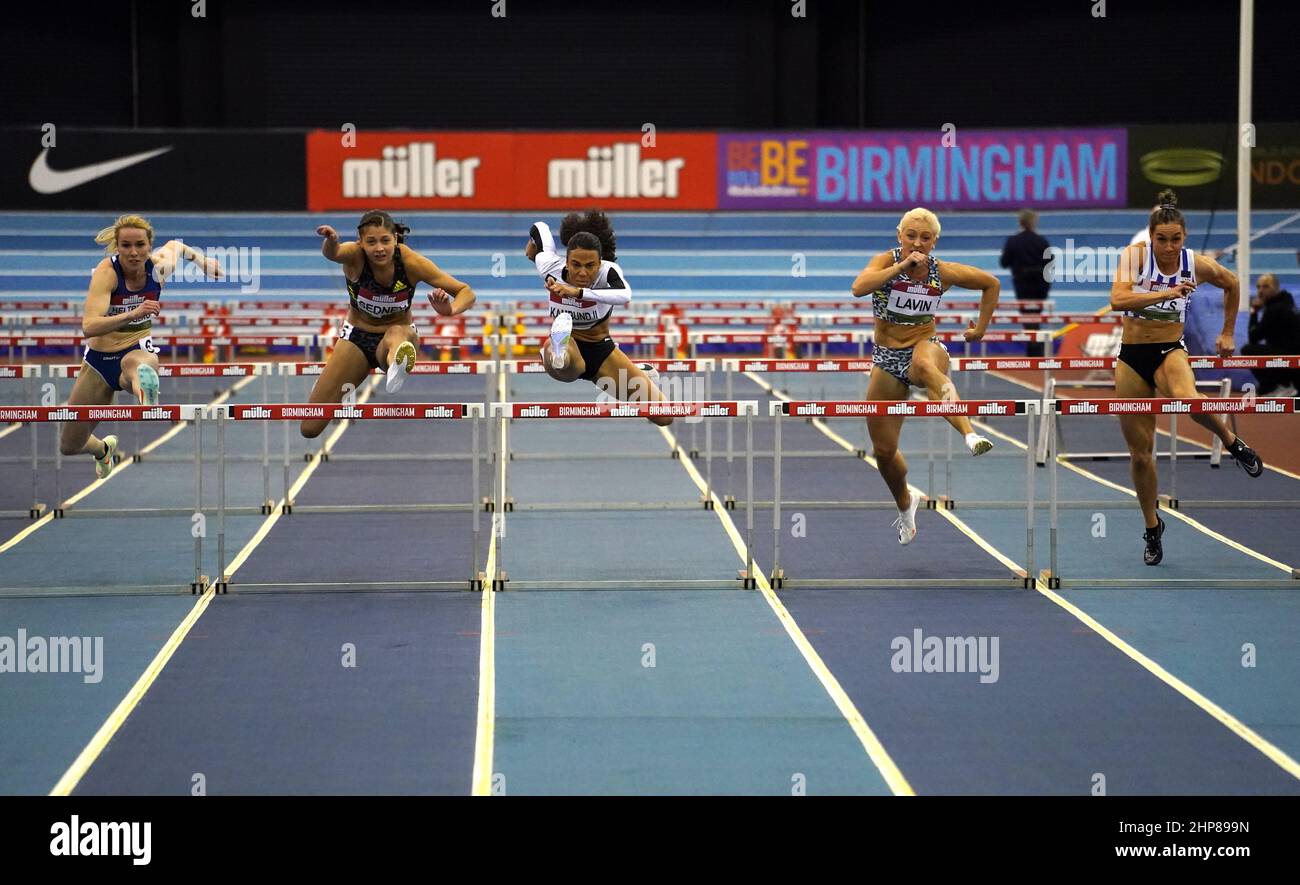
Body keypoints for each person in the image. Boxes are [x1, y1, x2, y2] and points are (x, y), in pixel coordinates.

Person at [1109, 190, 1263, 566]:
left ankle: (1230, 439)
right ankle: (1152, 526)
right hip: (1132, 356)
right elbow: (1117, 300)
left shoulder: (1196, 264)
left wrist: (1227, 333)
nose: (1167, 246)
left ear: (1185, 237)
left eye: (1175, 239)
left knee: (1190, 400)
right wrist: (1166, 292)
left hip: (1168, 350)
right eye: (1161, 239)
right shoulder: (1135, 257)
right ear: (1151, 237)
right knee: (1141, 456)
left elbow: (1231, 283)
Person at [850, 207, 999, 545]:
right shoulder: (884, 261)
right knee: (884, 452)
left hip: (925, 343)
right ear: (900, 236)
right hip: (887, 357)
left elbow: (990, 284)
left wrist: (981, 329)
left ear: (935, 242)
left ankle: (970, 435)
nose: (918, 242)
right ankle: (905, 503)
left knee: (926, 367)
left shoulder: (941, 272)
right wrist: (901, 267)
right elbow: (859, 288)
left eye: (925, 238)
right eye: (911, 236)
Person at [59, 214, 221, 477]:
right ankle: (102, 449)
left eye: (140, 245)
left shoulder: (158, 267)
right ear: (117, 246)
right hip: (98, 362)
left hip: (135, 350)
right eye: (126, 246)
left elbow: (177, 246)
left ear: (149, 246)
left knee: (137, 364)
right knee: (69, 444)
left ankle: (144, 389)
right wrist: (132, 314)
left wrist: (203, 262)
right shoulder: (107, 273)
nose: (133, 253)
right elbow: (89, 326)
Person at [305, 210, 475, 438]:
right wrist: (331, 241)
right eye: (371, 242)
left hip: (398, 336)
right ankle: (337, 378)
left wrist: (450, 310)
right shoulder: (355, 256)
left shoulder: (411, 263)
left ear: (395, 239)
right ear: (361, 242)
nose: (379, 248)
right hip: (356, 338)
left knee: (396, 333)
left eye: (385, 240)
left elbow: (466, 292)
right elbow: (333, 253)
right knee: (310, 428)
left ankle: (398, 363)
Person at [526, 209, 672, 426]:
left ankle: (632, 372)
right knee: (569, 365)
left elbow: (624, 295)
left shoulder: (608, 273)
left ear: (600, 264)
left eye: (589, 266)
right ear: (566, 261)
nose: (582, 273)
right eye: (575, 264)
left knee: (664, 416)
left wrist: (578, 292)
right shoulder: (549, 266)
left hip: (601, 351)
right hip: (568, 346)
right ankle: (559, 348)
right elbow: (539, 227)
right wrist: (533, 248)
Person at [999, 208, 1052, 357]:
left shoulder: (1013, 241)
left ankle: (1035, 348)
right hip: (1040, 286)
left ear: (1020, 222)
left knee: (1028, 317)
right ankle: (1035, 348)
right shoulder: (1042, 241)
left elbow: (1004, 262)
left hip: (1022, 285)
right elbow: (1050, 263)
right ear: (1034, 222)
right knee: (1035, 316)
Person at [1243, 273, 1300, 396]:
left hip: (1291, 363)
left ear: (1276, 288)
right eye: (1258, 287)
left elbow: (1253, 337)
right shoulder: (1287, 304)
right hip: (1292, 359)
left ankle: (1278, 385)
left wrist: (1253, 313)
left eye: (1265, 287)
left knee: (1248, 350)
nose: (1260, 291)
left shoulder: (1276, 309)